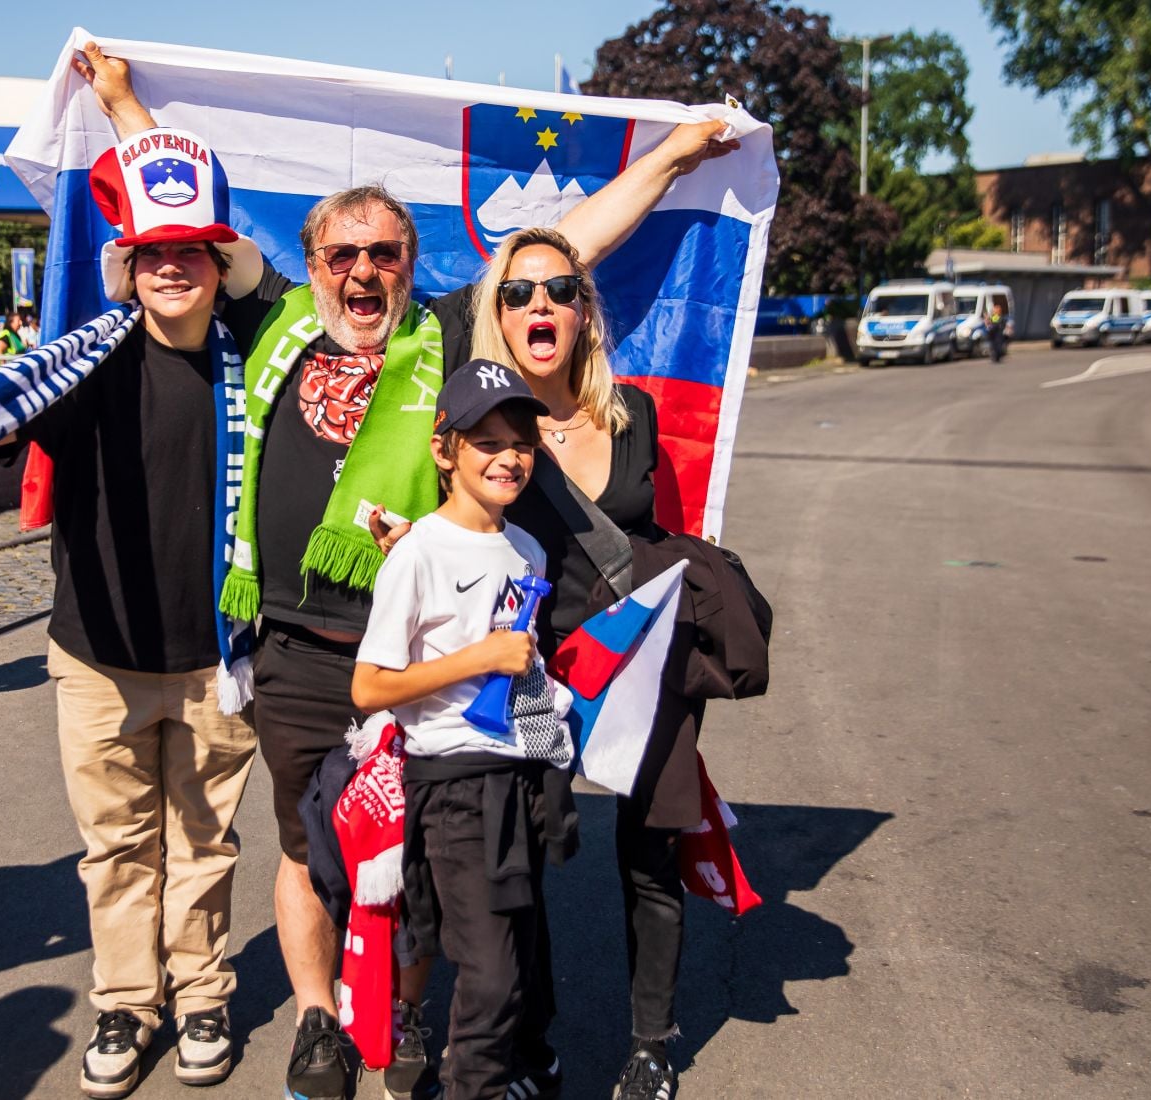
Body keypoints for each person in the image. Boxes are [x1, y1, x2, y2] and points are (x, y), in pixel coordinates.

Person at [75, 39, 740, 1099]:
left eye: (384, 252)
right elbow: (178, 210)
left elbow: (557, 247)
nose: (361, 272)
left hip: (425, 660)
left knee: (421, 861)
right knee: (310, 851)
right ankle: (316, 1021)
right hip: (294, 651)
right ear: (307, 261)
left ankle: (405, 1018)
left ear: (410, 261)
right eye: (340, 254)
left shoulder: (442, 329)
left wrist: (667, 159)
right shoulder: (277, 317)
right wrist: (120, 99)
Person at [0, 125, 273, 1098]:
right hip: (95, 657)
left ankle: (203, 991)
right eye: (152, 252)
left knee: (205, 844)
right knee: (117, 848)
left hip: (216, 657)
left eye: (190, 251)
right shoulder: (80, 362)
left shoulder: (260, 361)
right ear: (126, 268)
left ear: (219, 268)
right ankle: (128, 1003)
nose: (171, 266)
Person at [471, 226, 694, 1098]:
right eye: (522, 292)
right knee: (520, 853)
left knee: (650, 853)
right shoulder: (481, 424)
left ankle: (650, 1044)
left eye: (561, 290)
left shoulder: (633, 415)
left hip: (640, 669)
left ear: (584, 312)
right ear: (498, 312)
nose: (542, 305)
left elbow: (674, 538)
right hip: (530, 671)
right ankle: (532, 1038)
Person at [353, 358, 575, 1100]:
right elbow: (370, 686)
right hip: (452, 786)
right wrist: (479, 657)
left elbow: (518, 666)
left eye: (521, 442)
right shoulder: (417, 554)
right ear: (444, 449)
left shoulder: (528, 551)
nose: (508, 457)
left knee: (514, 959)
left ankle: (492, 1079)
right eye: (486, 441)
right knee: (489, 978)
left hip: (516, 777)